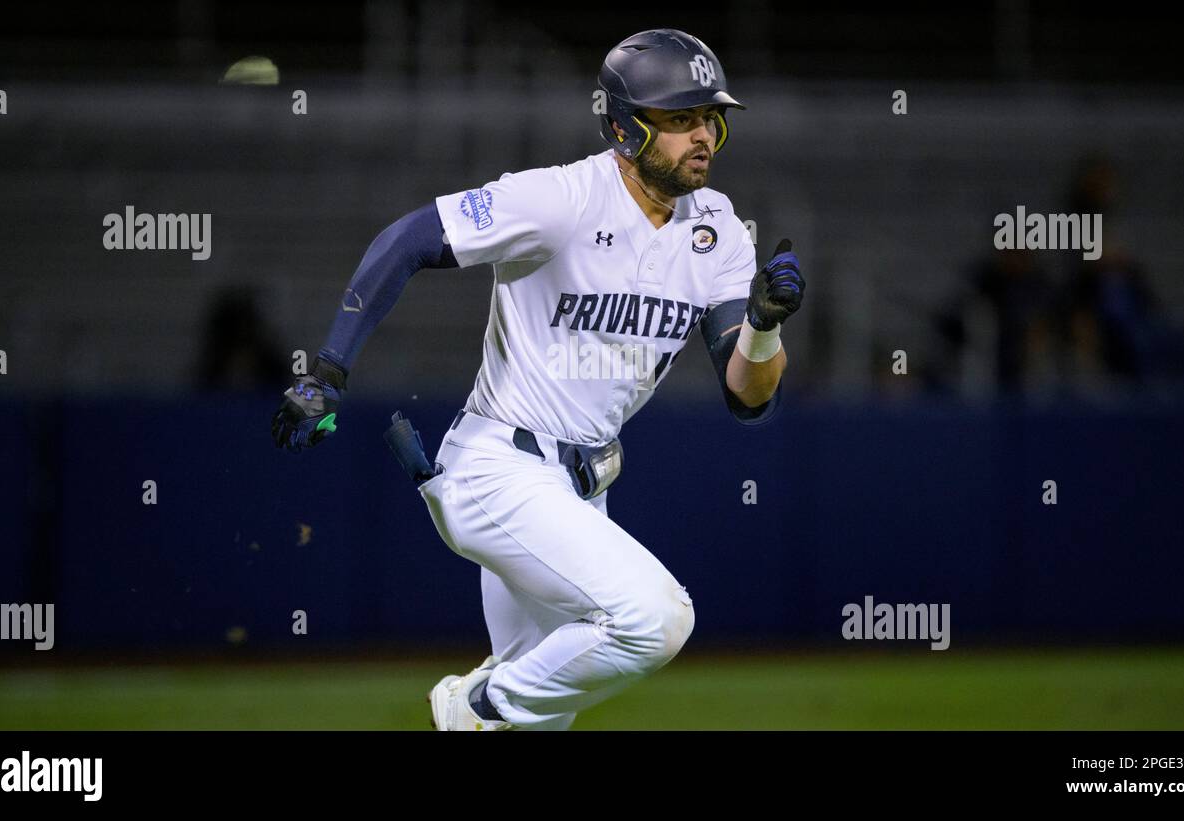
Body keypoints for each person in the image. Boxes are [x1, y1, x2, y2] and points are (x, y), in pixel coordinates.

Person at [271, 28, 805, 730]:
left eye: (710, 117)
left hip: (580, 492)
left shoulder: (719, 230)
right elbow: (406, 239)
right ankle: (472, 705)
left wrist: (765, 325)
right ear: (624, 126)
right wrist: (330, 370)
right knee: (658, 617)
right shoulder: (561, 198)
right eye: (679, 119)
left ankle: (489, 714)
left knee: (542, 718)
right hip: (499, 469)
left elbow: (748, 397)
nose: (702, 133)